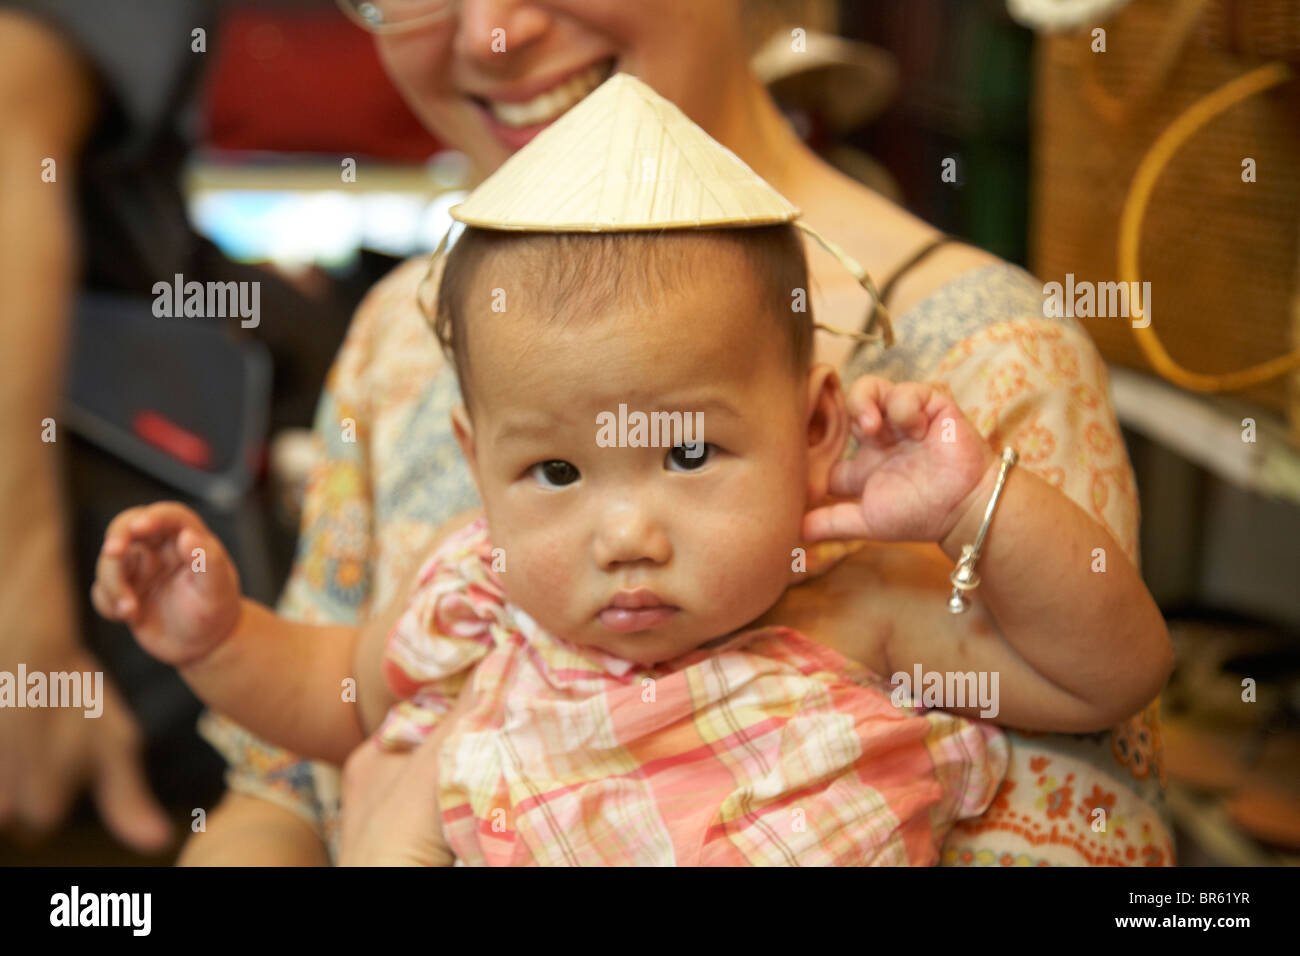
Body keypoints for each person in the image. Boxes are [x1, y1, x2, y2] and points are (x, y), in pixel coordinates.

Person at [185, 0, 1173, 867]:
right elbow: (305, 729)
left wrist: (976, 505)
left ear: (819, 425)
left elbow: (1109, 675)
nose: (626, 535)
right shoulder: (472, 593)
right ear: (472, 460)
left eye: (690, 454)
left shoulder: (852, 599)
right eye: (557, 469)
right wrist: (217, 636)